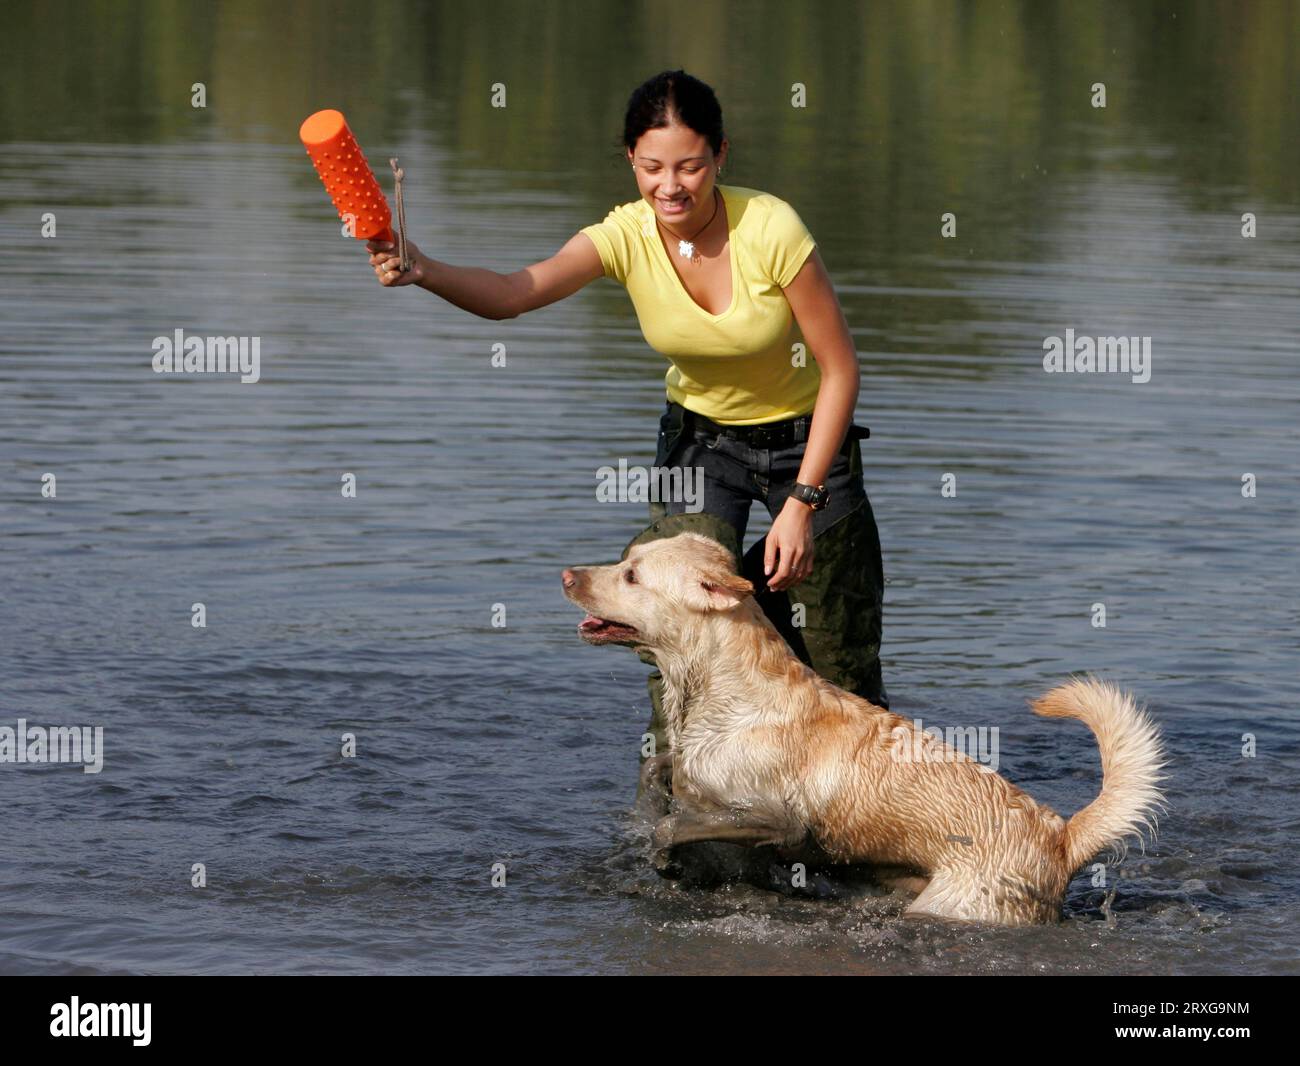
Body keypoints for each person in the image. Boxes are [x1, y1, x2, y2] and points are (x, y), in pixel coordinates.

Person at [365, 69, 890, 790]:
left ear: (722, 157)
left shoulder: (772, 228)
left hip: (810, 444)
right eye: (651, 167)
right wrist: (422, 268)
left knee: (839, 658)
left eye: (689, 166)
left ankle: (857, 822)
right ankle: (678, 806)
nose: (669, 187)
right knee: (669, 625)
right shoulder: (624, 235)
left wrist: (803, 500)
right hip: (703, 447)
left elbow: (840, 371)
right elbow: (516, 293)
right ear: (630, 162)